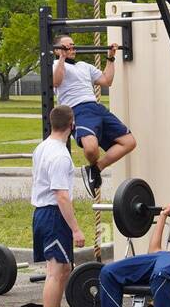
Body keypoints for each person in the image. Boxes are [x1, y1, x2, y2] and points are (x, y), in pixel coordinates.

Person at [51, 35, 136, 196]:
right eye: (67, 46)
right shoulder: (55, 65)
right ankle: (94, 167)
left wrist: (110, 59)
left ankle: (95, 169)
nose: (72, 49)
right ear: (57, 50)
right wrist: (61, 58)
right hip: (78, 110)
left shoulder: (84, 66)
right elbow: (56, 81)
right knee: (91, 149)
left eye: (73, 46)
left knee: (129, 142)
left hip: (96, 107)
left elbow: (106, 80)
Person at [31, 104, 85, 307]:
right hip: (53, 215)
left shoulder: (42, 147)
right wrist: (75, 229)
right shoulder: (61, 156)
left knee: (64, 269)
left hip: (44, 213)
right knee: (54, 272)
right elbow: (61, 195)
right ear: (72, 125)